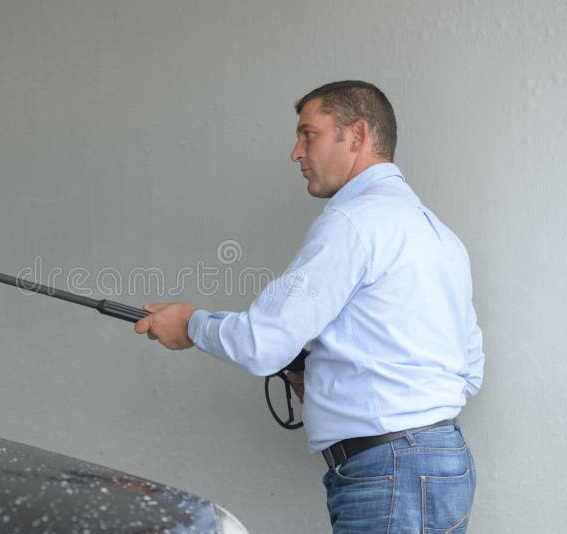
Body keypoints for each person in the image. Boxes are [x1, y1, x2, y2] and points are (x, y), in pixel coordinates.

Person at [134, 80, 484, 533]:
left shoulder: (352, 223)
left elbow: (263, 343)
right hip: (443, 466)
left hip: (390, 475)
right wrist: (326, 374)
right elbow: (468, 370)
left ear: (356, 136)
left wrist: (191, 325)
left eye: (308, 134)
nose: (296, 153)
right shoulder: (440, 236)